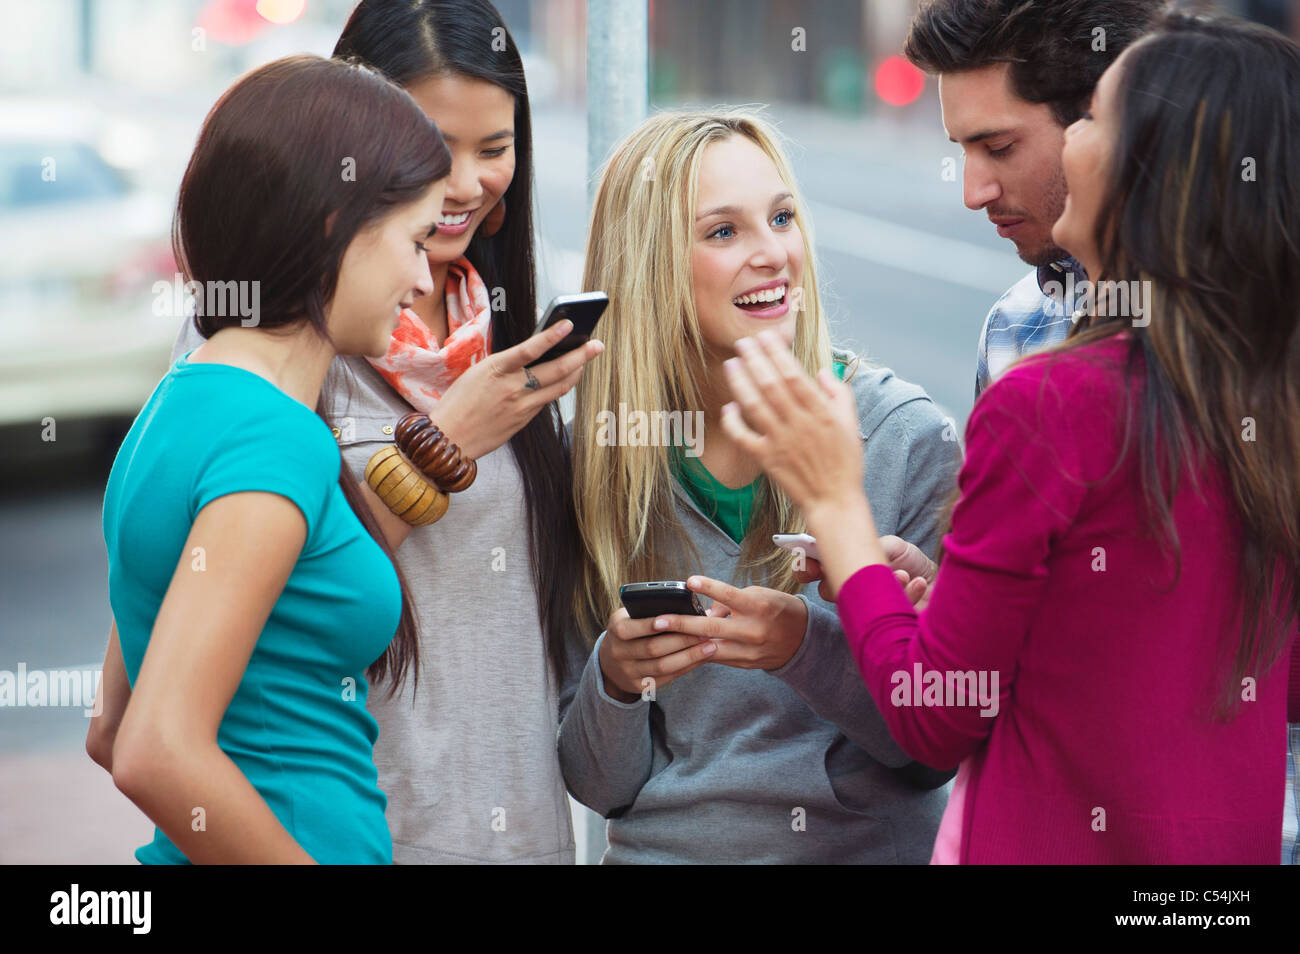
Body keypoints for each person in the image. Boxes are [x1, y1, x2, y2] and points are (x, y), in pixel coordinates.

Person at [722, 12, 1300, 863]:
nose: (1074, 148)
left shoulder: (1053, 401)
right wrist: (963, 598)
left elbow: (935, 713)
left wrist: (838, 506)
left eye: (1098, 117)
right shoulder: (1261, 395)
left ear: (1161, 173)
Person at [170, 0, 603, 864]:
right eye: (439, 149)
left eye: (497, 147)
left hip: (523, 835)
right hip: (355, 836)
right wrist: (446, 443)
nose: (470, 185)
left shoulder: (512, 309)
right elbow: (239, 613)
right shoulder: (262, 341)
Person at [557, 109, 963, 863]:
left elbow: (934, 749)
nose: (774, 253)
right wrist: (613, 680)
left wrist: (802, 647)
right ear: (650, 265)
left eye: (782, 218)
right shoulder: (598, 458)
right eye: (724, 232)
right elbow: (598, 785)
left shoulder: (908, 437)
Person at [89, 54, 450, 863]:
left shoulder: (175, 405)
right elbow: (152, 749)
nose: (422, 275)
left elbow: (109, 730)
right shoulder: (273, 439)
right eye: (415, 240)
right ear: (333, 224)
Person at [904, 0, 1158, 399]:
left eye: (999, 147)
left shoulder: (1251, 316)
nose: (973, 195)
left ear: (1106, 120)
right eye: (961, 150)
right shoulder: (1014, 329)